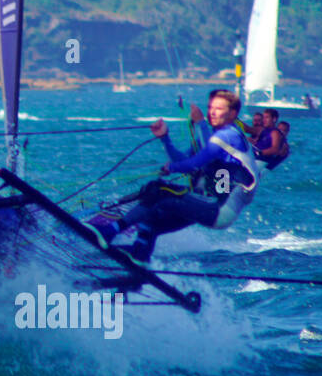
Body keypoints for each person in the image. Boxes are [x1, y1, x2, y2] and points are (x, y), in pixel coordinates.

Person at [84, 89, 258, 262]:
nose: (211, 112)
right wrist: (165, 139)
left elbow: (197, 162)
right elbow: (185, 160)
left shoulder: (229, 135)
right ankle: (139, 259)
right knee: (153, 214)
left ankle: (111, 231)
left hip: (219, 209)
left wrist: (199, 125)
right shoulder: (213, 138)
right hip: (206, 205)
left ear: (233, 113)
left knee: (158, 190)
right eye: (210, 107)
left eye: (218, 109)